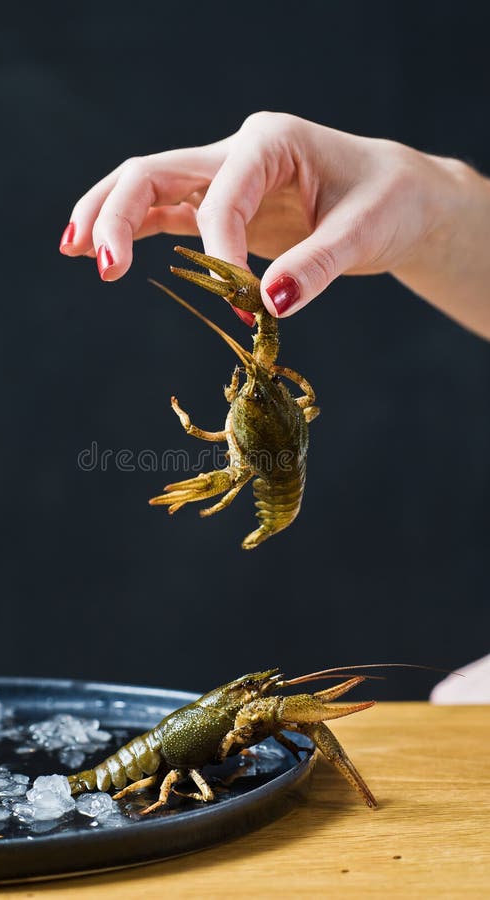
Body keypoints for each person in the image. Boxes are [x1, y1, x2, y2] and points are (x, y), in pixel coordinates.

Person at [59, 112, 490, 701]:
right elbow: (301, 399)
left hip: (271, 485)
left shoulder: (262, 416)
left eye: (257, 384)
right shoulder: (281, 407)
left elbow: (268, 412)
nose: (250, 380)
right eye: (257, 384)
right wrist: (434, 205)